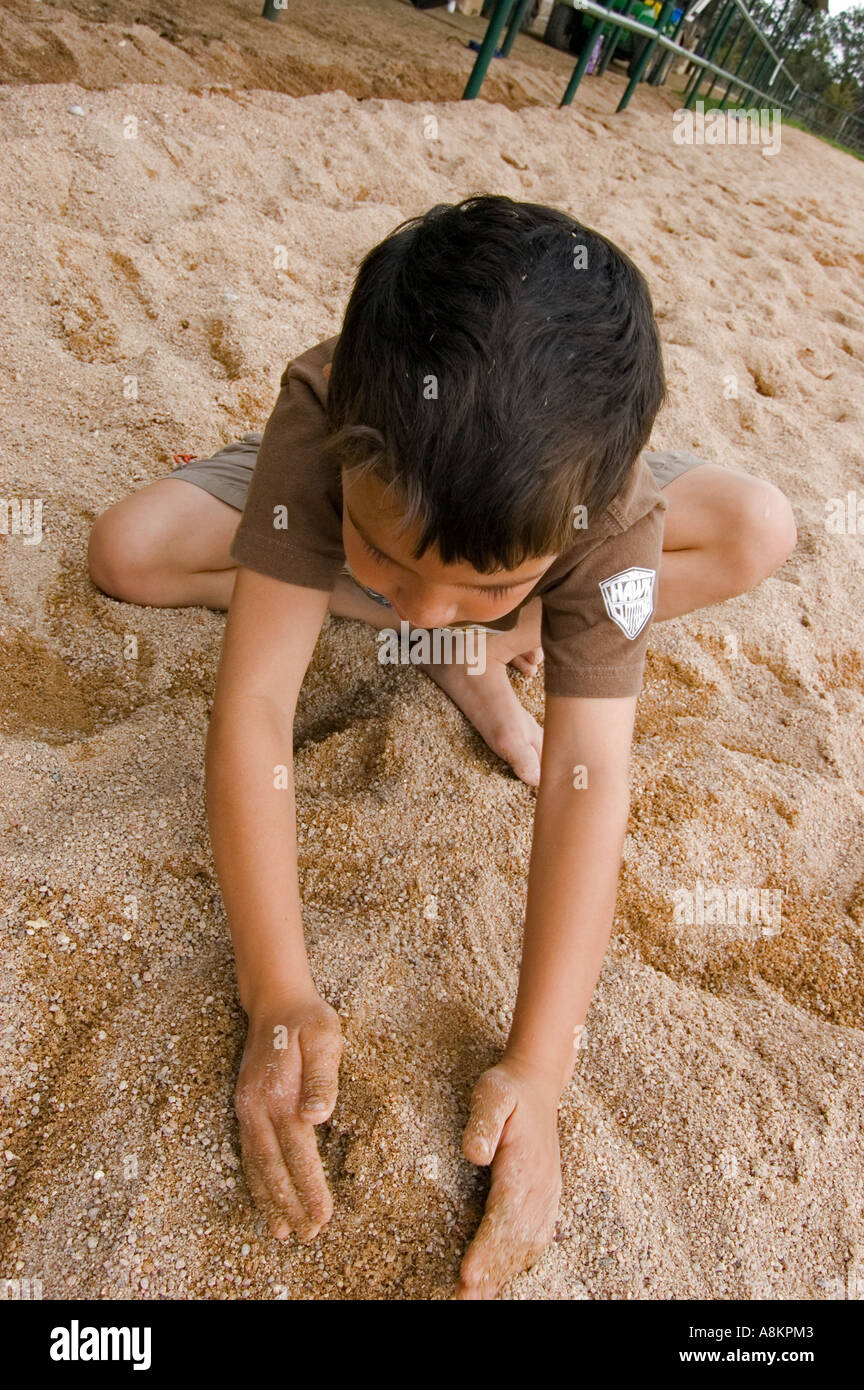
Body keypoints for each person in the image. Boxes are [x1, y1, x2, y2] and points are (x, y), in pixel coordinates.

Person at [87, 195, 796, 1299]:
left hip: (539, 481)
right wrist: (276, 988)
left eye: (483, 586)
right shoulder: (330, 410)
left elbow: (589, 774)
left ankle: (492, 625)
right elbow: (257, 707)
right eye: (390, 559)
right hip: (382, 476)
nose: (426, 605)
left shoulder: (605, 518)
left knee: (762, 526)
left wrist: (539, 1067)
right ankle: (471, 615)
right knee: (124, 550)